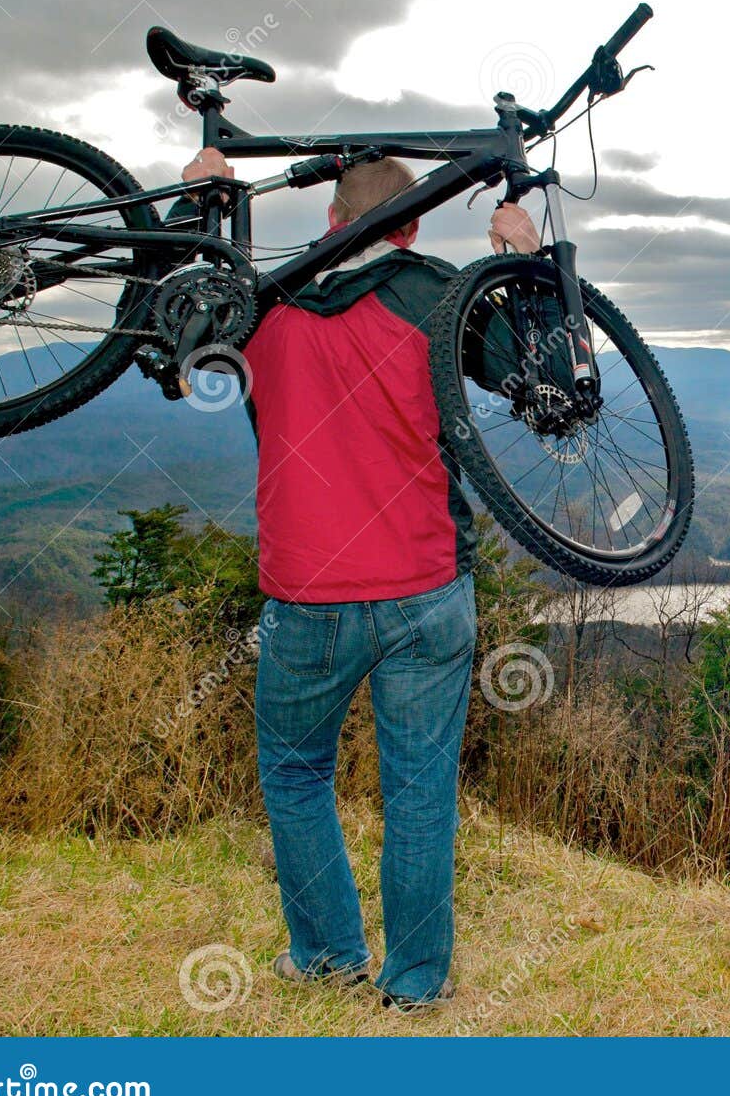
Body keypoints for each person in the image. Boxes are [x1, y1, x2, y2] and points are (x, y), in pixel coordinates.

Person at [179, 147, 540, 1013]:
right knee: (419, 791)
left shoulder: (260, 303)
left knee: (295, 774)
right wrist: (523, 265)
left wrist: (199, 209)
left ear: (333, 219)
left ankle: (328, 955)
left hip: (306, 590)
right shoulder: (438, 295)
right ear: (409, 227)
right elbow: (543, 378)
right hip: (425, 583)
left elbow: (169, 336)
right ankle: (413, 985)